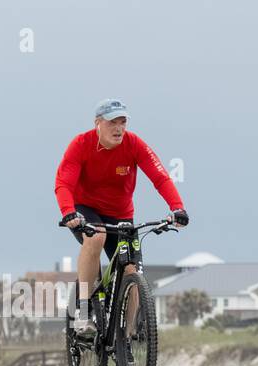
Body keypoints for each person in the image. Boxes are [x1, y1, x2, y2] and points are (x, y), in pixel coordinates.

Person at [54, 98, 189, 343]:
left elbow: (160, 177)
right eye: (112, 122)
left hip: (121, 214)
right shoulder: (81, 144)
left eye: (122, 122)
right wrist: (68, 212)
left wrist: (177, 208)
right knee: (96, 237)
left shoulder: (134, 144)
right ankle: (84, 311)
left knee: (132, 271)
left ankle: (126, 337)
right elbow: (63, 183)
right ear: (98, 124)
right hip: (85, 210)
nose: (118, 128)